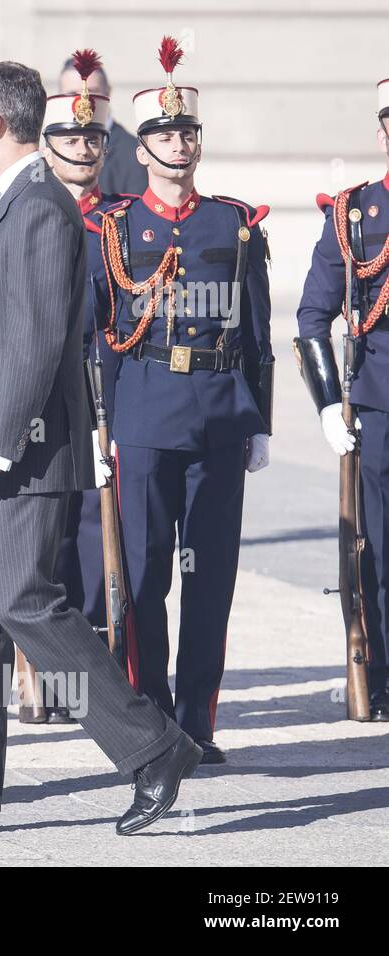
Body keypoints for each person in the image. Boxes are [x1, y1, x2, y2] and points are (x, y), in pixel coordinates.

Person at [0, 60, 198, 836]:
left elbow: (37, 336)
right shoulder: (11, 200)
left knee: (28, 606)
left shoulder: (43, 207)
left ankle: (154, 748)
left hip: (20, 454)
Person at [89, 37, 273, 764]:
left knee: (211, 574)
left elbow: (257, 329)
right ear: (142, 150)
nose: (178, 143)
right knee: (145, 574)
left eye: (187, 132)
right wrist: (102, 425)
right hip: (142, 413)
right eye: (164, 134)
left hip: (221, 414)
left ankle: (197, 720)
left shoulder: (232, 222)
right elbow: (99, 334)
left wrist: (261, 419)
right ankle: (152, 720)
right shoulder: (115, 227)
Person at [29, 48, 123, 724]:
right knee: (46, 539)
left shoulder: (118, 218)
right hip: (43, 400)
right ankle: (44, 678)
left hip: (108, 398)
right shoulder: (28, 213)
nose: (83, 147)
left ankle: (99, 676)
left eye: (92, 138)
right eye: (70, 137)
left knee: (99, 541)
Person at [295, 78, 389, 720]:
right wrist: (330, 402)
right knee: (378, 549)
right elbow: (312, 318)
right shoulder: (355, 214)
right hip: (381, 406)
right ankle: (377, 674)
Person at [59, 53, 144, 197]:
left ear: (108, 92)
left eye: (90, 93)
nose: (82, 102)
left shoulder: (134, 154)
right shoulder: (52, 151)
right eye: (73, 94)